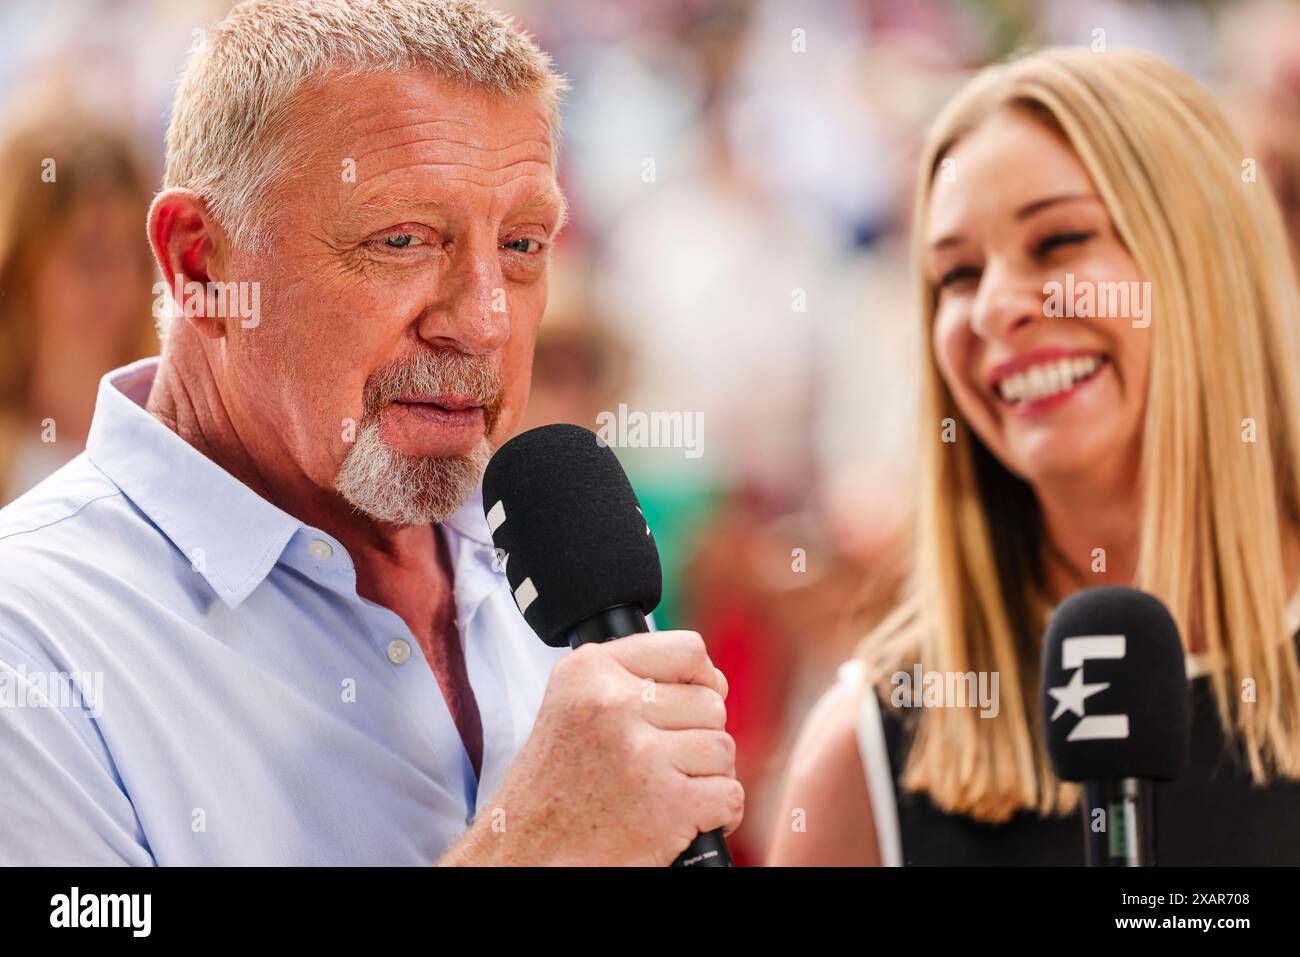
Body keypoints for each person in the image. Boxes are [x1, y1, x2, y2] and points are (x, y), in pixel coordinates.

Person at [0, 0, 741, 866]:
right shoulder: (34, 639)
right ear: (201, 261)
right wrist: (531, 849)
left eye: (524, 244)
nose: (485, 321)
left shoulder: (557, 569)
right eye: (403, 238)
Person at [769, 48, 1300, 865]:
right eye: (956, 274)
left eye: (1058, 241)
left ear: (1207, 262)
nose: (996, 308)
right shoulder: (863, 752)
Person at [0, 119, 155, 502]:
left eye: (135, 253)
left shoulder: (169, 442)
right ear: (21, 267)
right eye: (90, 254)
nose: (122, 283)